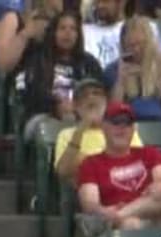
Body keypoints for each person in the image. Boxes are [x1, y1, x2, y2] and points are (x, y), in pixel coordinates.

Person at [75, 102, 161, 231]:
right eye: (116, 122)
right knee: (130, 225)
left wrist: (124, 211)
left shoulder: (150, 153)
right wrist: (104, 212)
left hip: (156, 219)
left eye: (127, 123)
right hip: (119, 230)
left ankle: (118, 216)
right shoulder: (91, 163)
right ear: (103, 127)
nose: (122, 128)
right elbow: (90, 203)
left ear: (133, 129)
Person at [7, 10, 103, 143]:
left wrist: (78, 107)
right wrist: (55, 105)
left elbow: (99, 93)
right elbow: (32, 94)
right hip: (43, 115)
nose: (67, 33)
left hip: (81, 115)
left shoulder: (89, 63)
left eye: (73, 29)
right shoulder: (38, 59)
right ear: (53, 33)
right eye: (62, 28)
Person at [105, 16, 161, 121]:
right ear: (123, 46)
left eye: (142, 44)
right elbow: (112, 114)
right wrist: (121, 82)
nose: (137, 49)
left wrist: (159, 77)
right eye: (131, 45)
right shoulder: (113, 70)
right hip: (128, 124)